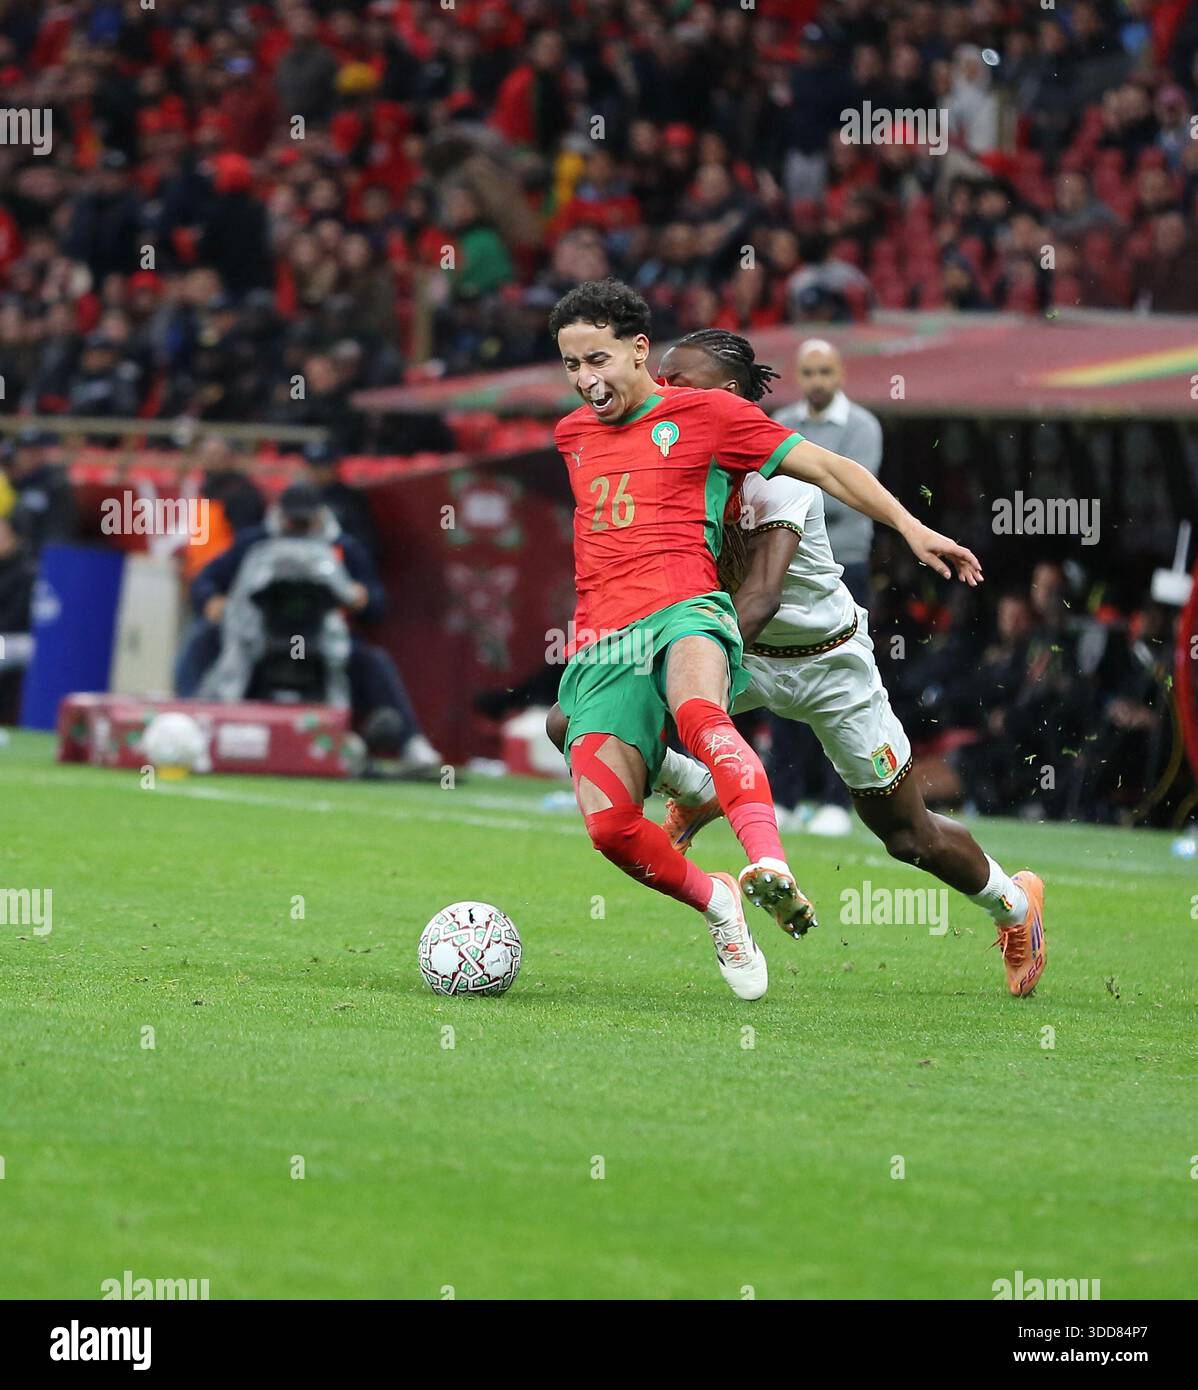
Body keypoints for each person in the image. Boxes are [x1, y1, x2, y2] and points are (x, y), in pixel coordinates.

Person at [547, 280, 983, 1001]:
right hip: (624, 635)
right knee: (598, 799)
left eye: (598, 359)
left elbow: (826, 477)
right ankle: (712, 864)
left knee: (899, 831)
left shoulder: (718, 424)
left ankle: (776, 864)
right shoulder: (573, 435)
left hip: (781, 642)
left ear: (638, 352)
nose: (587, 380)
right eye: (571, 366)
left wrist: (911, 527)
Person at [643, 328, 1045, 998]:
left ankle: (1017, 910)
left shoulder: (776, 476)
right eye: (659, 380)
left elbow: (763, 597)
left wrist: (911, 529)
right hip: (746, 659)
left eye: (678, 382)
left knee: (907, 836)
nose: (663, 393)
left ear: (730, 396)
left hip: (828, 667)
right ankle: (698, 783)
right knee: (595, 712)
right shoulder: (675, 469)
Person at [178, 484, 440, 773]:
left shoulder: (343, 547)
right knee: (203, 636)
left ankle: (411, 742)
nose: (298, 525)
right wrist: (211, 600)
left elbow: (377, 604)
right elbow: (206, 579)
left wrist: (362, 597)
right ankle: (189, 722)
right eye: (293, 519)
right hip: (258, 641)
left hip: (323, 644)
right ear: (280, 515)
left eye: (305, 519)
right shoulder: (255, 542)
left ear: (319, 516)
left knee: (374, 661)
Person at [768, 337, 883, 834]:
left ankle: (840, 800)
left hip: (846, 567)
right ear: (798, 375)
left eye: (825, 372)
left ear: (840, 375)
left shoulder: (862, 426)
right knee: (782, 676)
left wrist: (797, 498)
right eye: (809, 373)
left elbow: (852, 494)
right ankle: (786, 797)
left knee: (843, 678)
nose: (817, 382)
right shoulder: (782, 421)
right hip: (789, 569)